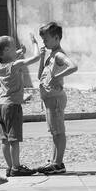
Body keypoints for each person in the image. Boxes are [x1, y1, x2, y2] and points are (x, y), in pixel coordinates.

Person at [0, 36, 40, 177]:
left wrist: (19, 51)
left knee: (5, 139)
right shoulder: (14, 65)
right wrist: (35, 44)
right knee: (14, 139)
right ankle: (17, 167)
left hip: (0, 105)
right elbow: (35, 58)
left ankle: (9, 167)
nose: (17, 49)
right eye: (14, 47)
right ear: (7, 50)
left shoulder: (0, 66)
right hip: (12, 106)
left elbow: (10, 58)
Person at [34, 22, 77, 174]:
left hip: (56, 98)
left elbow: (73, 66)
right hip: (49, 99)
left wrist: (56, 76)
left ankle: (59, 164)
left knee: (59, 132)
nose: (43, 43)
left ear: (56, 38)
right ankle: (53, 161)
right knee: (54, 132)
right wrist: (41, 57)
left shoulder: (59, 54)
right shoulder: (51, 55)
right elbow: (40, 76)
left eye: (46, 39)